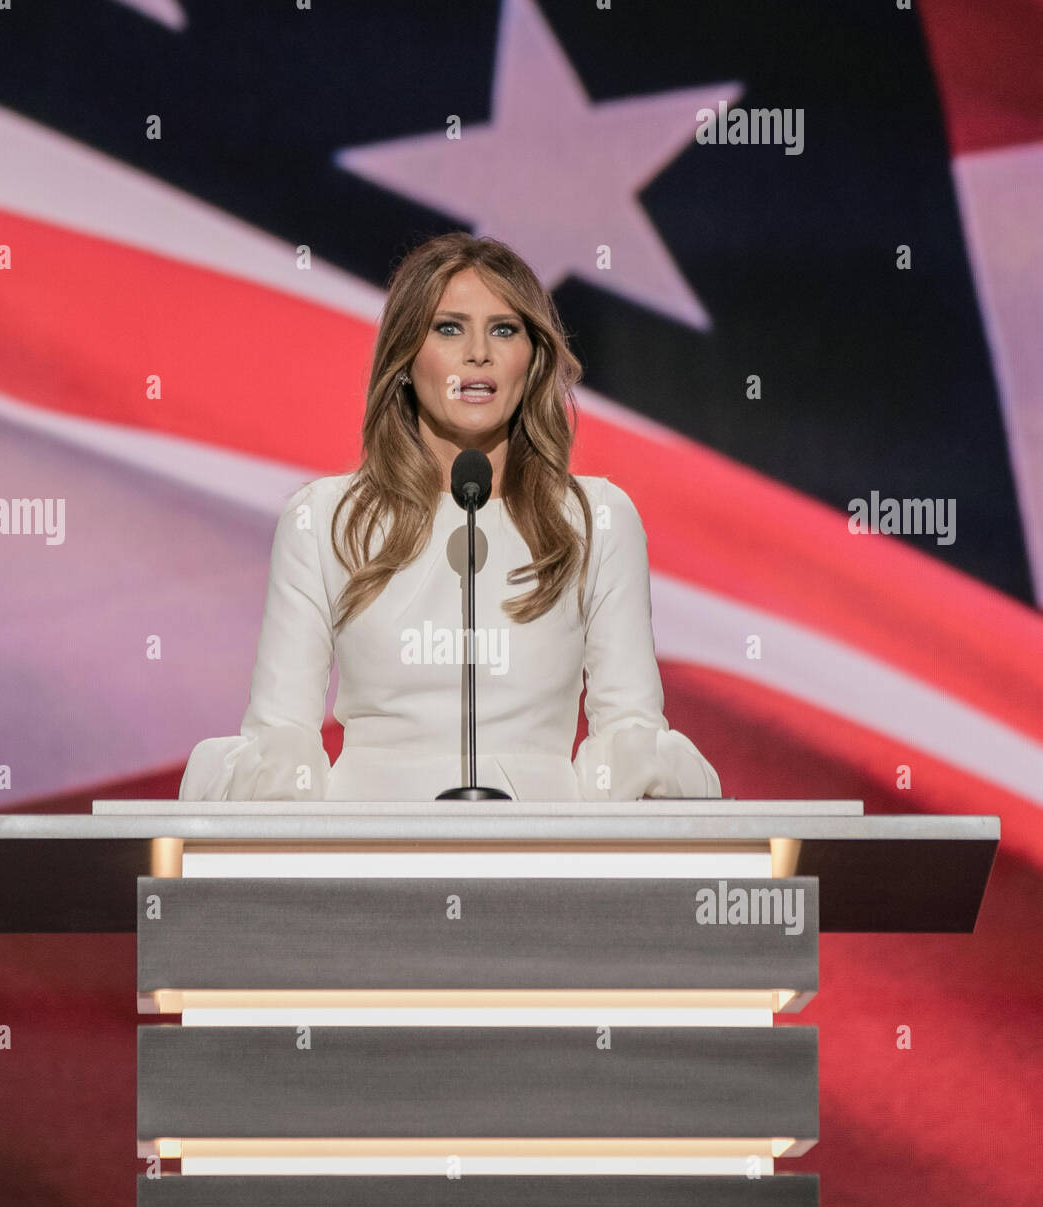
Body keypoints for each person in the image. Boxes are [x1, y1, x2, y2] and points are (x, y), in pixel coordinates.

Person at [179, 232, 721, 802]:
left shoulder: (597, 519)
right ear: (406, 357)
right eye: (449, 327)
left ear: (532, 361)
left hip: (543, 853)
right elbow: (280, 734)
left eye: (504, 330)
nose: (478, 352)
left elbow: (630, 735)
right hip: (366, 850)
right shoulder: (326, 518)